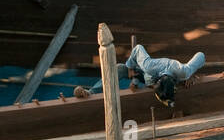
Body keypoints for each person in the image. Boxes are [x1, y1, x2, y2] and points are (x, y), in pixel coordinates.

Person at [75, 44, 206, 108]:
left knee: (184, 73)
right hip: (151, 69)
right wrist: (131, 69)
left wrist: (191, 73)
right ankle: (90, 91)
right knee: (120, 68)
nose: (152, 86)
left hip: (171, 71)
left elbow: (201, 55)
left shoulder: (183, 72)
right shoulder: (149, 66)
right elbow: (138, 48)